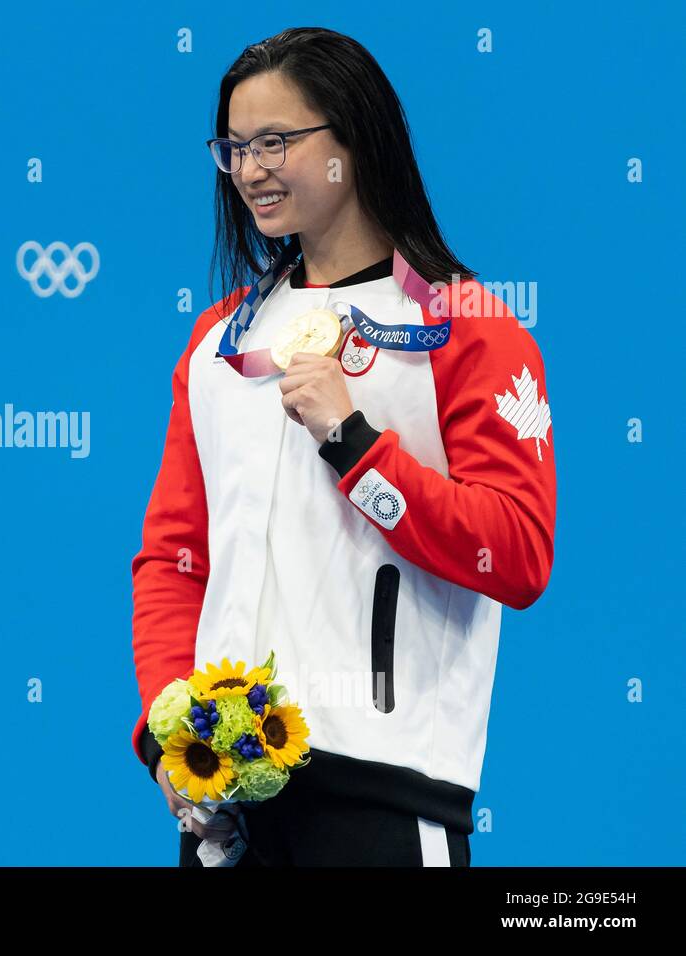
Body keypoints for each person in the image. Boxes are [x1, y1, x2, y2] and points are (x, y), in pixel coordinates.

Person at [130, 27, 557, 866]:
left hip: (386, 793)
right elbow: (175, 559)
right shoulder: (219, 345)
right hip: (227, 811)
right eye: (234, 147)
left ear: (354, 141)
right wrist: (168, 735)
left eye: (277, 142)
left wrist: (355, 444)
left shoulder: (466, 328)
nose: (251, 169)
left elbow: (517, 553)